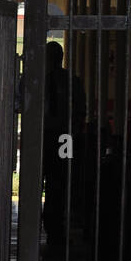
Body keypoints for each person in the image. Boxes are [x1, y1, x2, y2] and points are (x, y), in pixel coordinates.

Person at [41, 41, 85, 246]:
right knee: (58, 181)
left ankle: (52, 224)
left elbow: (79, 110)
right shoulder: (70, 81)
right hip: (61, 138)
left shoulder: (41, 80)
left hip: (52, 137)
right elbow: (80, 110)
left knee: (55, 181)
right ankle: (53, 225)